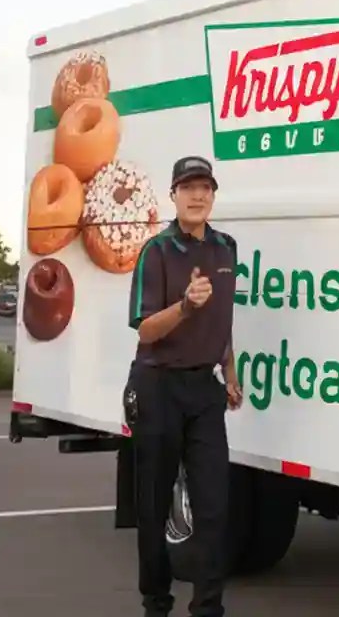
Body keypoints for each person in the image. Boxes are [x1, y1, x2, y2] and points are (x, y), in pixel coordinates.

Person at [124, 154, 244, 617]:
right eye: (189, 188)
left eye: (206, 188)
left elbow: (223, 318)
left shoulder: (226, 248)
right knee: (153, 509)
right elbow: (145, 330)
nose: (198, 196)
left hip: (204, 391)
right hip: (157, 388)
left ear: (213, 195)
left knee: (214, 506)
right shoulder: (156, 251)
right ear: (173, 195)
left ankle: (208, 608)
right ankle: (156, 602)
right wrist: (185, 308)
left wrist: (230, 371)